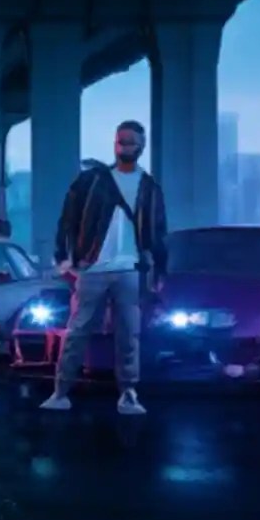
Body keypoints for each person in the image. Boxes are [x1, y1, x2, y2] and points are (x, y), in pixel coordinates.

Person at [39, 120, 168, 416]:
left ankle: (128, 394)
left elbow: (159, 232)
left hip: (130, 270)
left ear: (142, 146)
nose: (124, 147)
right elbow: (67, 219)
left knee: (129, 334)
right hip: (92, 267)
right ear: (114, 143)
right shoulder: (92, 180)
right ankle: (60, 391)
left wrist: (159, 270)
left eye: (131, 142)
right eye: (120, 141)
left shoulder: (148, 187)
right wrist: (64, 256)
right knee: (77, 330)